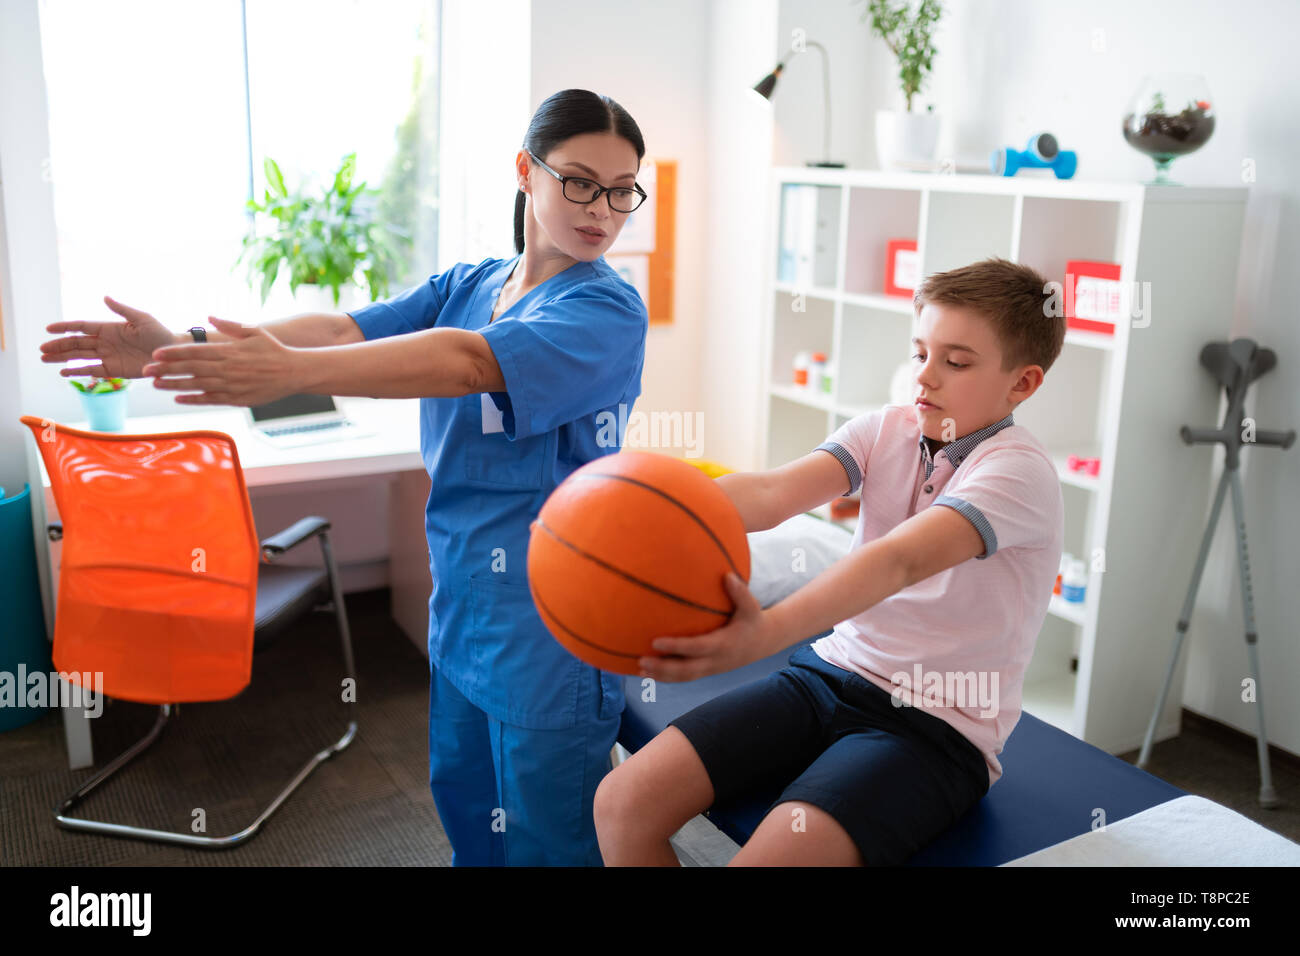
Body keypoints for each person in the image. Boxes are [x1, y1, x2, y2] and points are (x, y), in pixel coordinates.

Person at [39, 88, 650, 866]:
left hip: (551, 629)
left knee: (547, 839)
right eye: (579, 181)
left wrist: (288, 373)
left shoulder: (606, 311)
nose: (602, 208)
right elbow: (342, 327)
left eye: (621, 190)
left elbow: (468, 363)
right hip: (465, 608)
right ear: (526, 172)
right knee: (468, 815)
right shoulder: (475, 282)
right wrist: (182, 346)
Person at [594, 257, 1066, 866]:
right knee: (621, 803)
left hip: (933, 728)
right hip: (828, 675)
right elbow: (769, 494)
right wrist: (634, 508)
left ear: (1022, 383)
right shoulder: (886, 429)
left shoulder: (1017, 471)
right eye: (920, 352)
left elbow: (897, 562)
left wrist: (762, 632)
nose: (926, 376)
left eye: (956, 361)